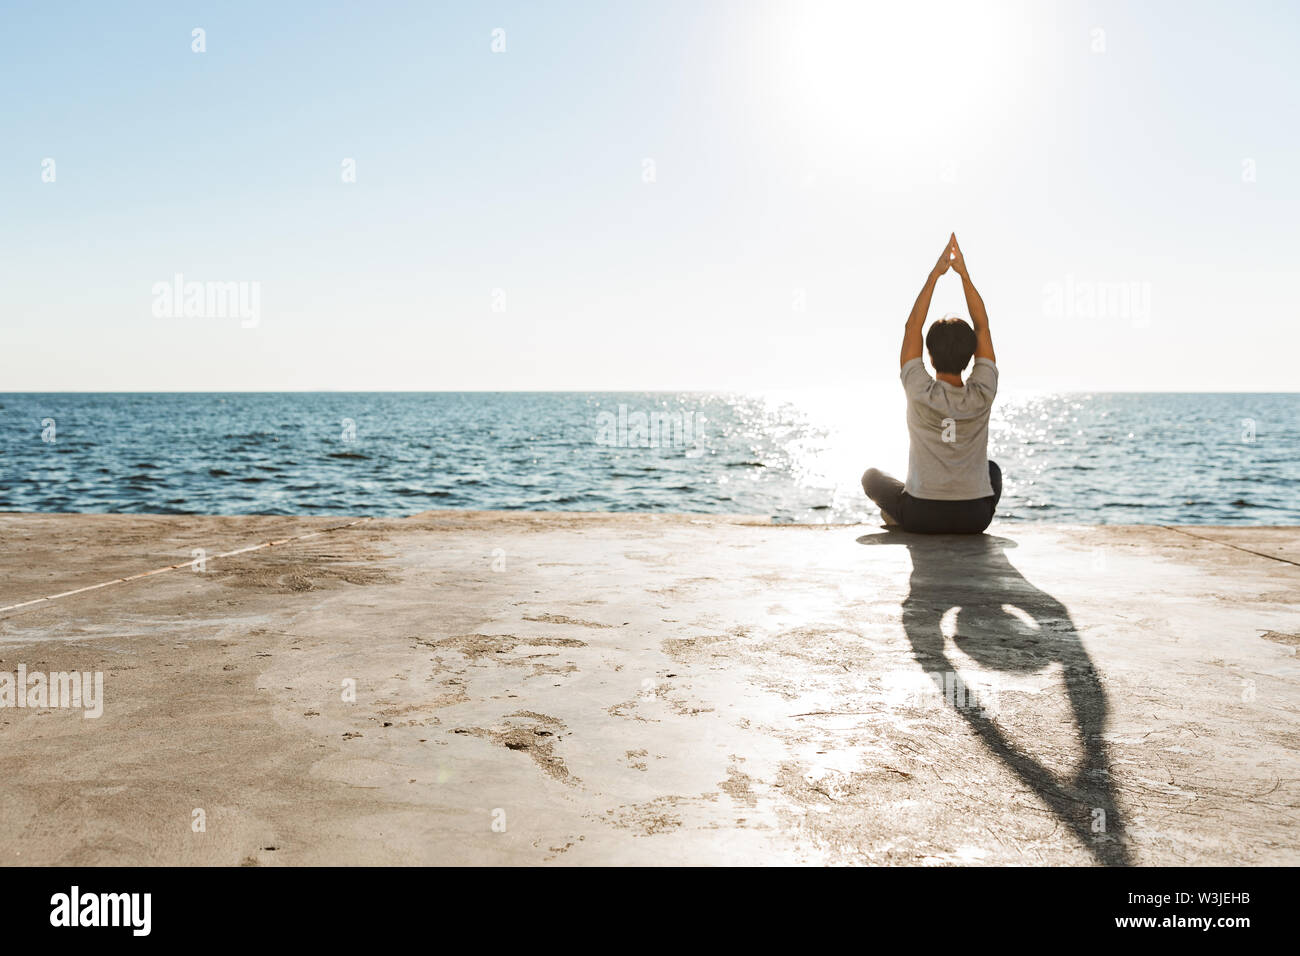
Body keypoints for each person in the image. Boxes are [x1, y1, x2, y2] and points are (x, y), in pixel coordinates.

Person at [862, 233, 1002, 534]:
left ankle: (899, 517)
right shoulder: (983, 392)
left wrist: (934, 276)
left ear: (929, 354)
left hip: (921, 516)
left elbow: (912, 326)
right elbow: (983, 327)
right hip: (974, 519)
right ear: (971, 355)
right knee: (993, 471)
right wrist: (963, 274)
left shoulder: (918, 389)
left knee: (871, 477)